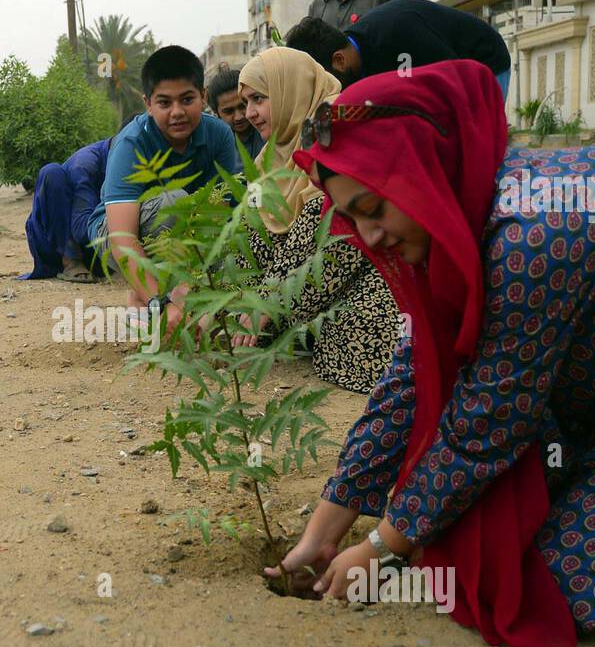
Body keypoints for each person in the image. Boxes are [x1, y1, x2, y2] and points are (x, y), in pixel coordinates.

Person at [271, 59, 595, 647]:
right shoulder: (470, 211)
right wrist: (326, 528)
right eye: (352, 218)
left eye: (374, 208)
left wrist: (384, 548)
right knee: (477, 549)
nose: (369, 237)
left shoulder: (536, 230)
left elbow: (490, 417)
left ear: (426, 165)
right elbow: (414, 376)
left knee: (542, 586)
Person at [231, 47, 401, 392]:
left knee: (361, 338)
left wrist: (269, 303)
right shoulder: (271, 157)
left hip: (371, 271)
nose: (249, 113)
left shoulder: (340, 128)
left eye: (258, 99)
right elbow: (252, 241)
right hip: (306, 296)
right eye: (245, 102)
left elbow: (344, 238)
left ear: (290, 90)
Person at [87, 45, 243, 326]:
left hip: (187, 232)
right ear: (148, 104)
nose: (177, 112)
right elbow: (123, 239)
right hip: (115, 233)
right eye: (164, 103)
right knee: (173, 204)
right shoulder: (131, 144)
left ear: (203, 97)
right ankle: (148, 294)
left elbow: (215, 219)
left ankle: (155, 294)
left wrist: (188, 289)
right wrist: (161, 302)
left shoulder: (219, 135)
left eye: (187, 99)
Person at [313, 0, 512, 98]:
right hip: (446, 73)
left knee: (478, 146)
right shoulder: (357, 55)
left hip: (484, 63)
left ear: (339, 60)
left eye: (330, 81)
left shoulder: (397, 35)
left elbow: (454, 80)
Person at [21, 139, 111, 281]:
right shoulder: (84, 164)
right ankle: (71, 259)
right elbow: (80, 228)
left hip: (95, 247)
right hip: (55, 241)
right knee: (51, 172)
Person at [207, 68, 265, 161]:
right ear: (217, 113)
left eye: (243, 106)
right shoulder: (212, 148)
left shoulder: (270, 131)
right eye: (229, 111)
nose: (239, 117)